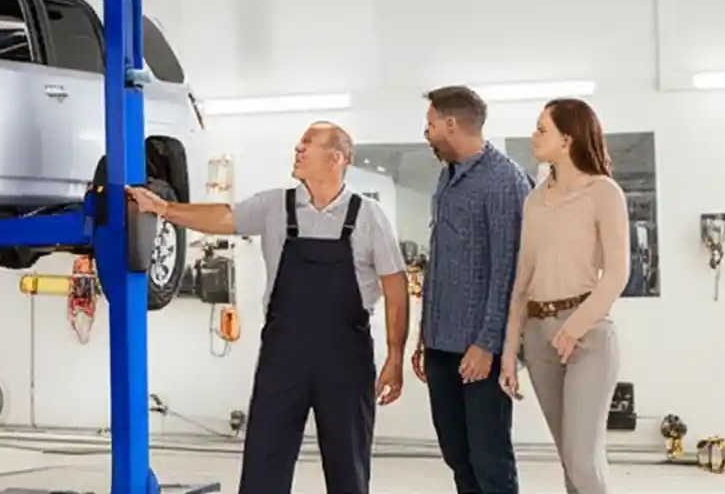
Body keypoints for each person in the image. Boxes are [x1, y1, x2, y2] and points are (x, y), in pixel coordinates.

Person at [127, 121, 409, 494]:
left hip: (345, 360)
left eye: (308, 142)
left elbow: (395, 286)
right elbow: (223, 216)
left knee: (349, 467)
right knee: (264, 463)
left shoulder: (368, 215)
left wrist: (395, 354)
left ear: (336, 158)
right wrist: (164, 208)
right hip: (284, 356)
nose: (298, 148)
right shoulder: (275, 205)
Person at [499, 99, 629, 494]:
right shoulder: (535, 200)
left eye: (542, 129)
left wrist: (575, 328)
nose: (533, 136)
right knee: (569, 462)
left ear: (567, 138)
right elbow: (522, 281)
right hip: (539, 339)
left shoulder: (603, 192)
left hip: (587, 336)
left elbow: (618, 274)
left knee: (583, 462)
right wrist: (509, 349)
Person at [417, 85, 533, 494]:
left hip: (479, 351)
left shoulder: (504, 181)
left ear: (451, 124)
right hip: (441, 346)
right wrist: (423, 338)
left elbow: (510, 268)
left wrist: (488, 344)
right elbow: (441, 263)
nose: (426, 133)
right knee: (458, 456)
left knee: (489, 460)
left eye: (431, 125)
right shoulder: (447, 179)